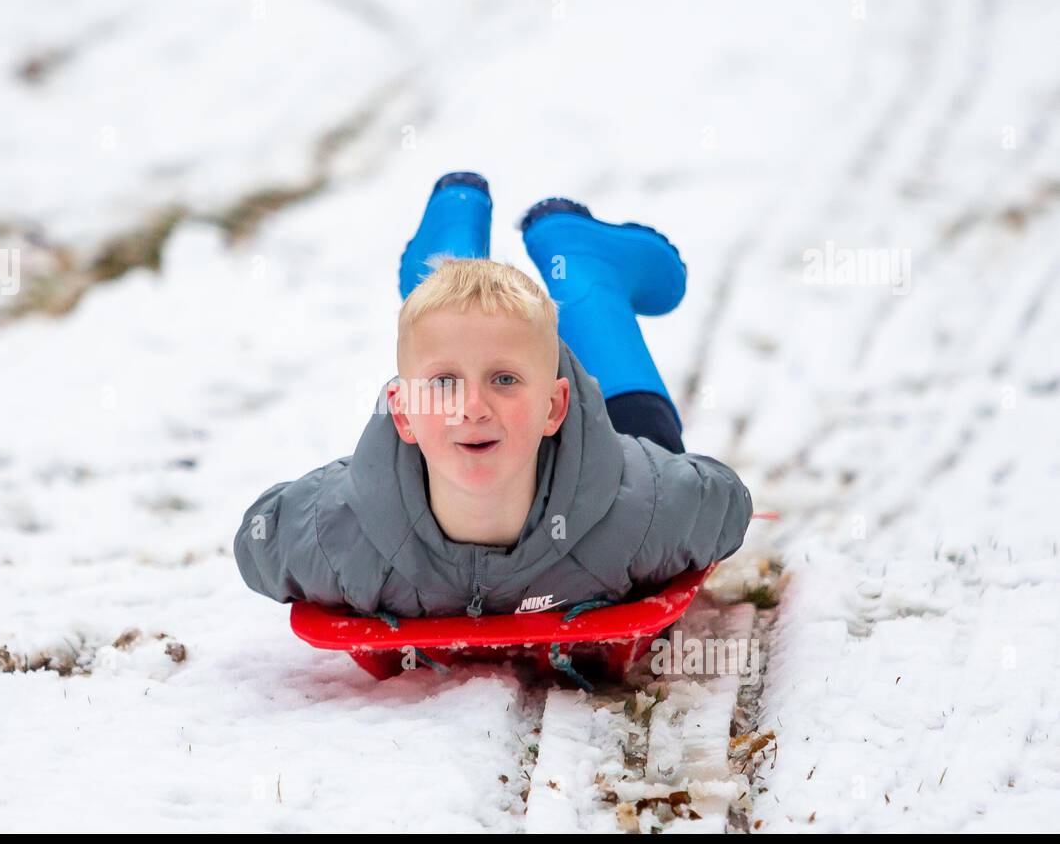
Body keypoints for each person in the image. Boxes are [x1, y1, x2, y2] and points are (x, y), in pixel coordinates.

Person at [234, 171, 752, 617]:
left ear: (556, 407)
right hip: (495, 401)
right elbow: (259, 542)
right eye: (444, 387)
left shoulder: (641, 512)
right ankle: (456, 266)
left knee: (633, 424)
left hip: (596, 454)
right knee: (466, 332)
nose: (473, 408)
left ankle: (586, 274)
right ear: (402, 415)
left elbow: (724, 503)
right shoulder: (347, 534)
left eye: (501, 382)